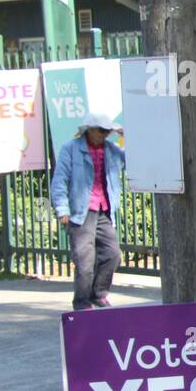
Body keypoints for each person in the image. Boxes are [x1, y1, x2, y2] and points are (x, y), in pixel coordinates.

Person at [50, 113, 126, 311]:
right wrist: (62, 209)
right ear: (89, 129)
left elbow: (134, 161)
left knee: (113, 254)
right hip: (80, 213)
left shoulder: (112, 149)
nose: (105, 134)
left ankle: (98, 294)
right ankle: (81, 303)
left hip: (104, 211)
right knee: (85, 263)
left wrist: (127, 136)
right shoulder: (71, 149)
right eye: (101, 130)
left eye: (108, 131)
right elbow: (59, 180)